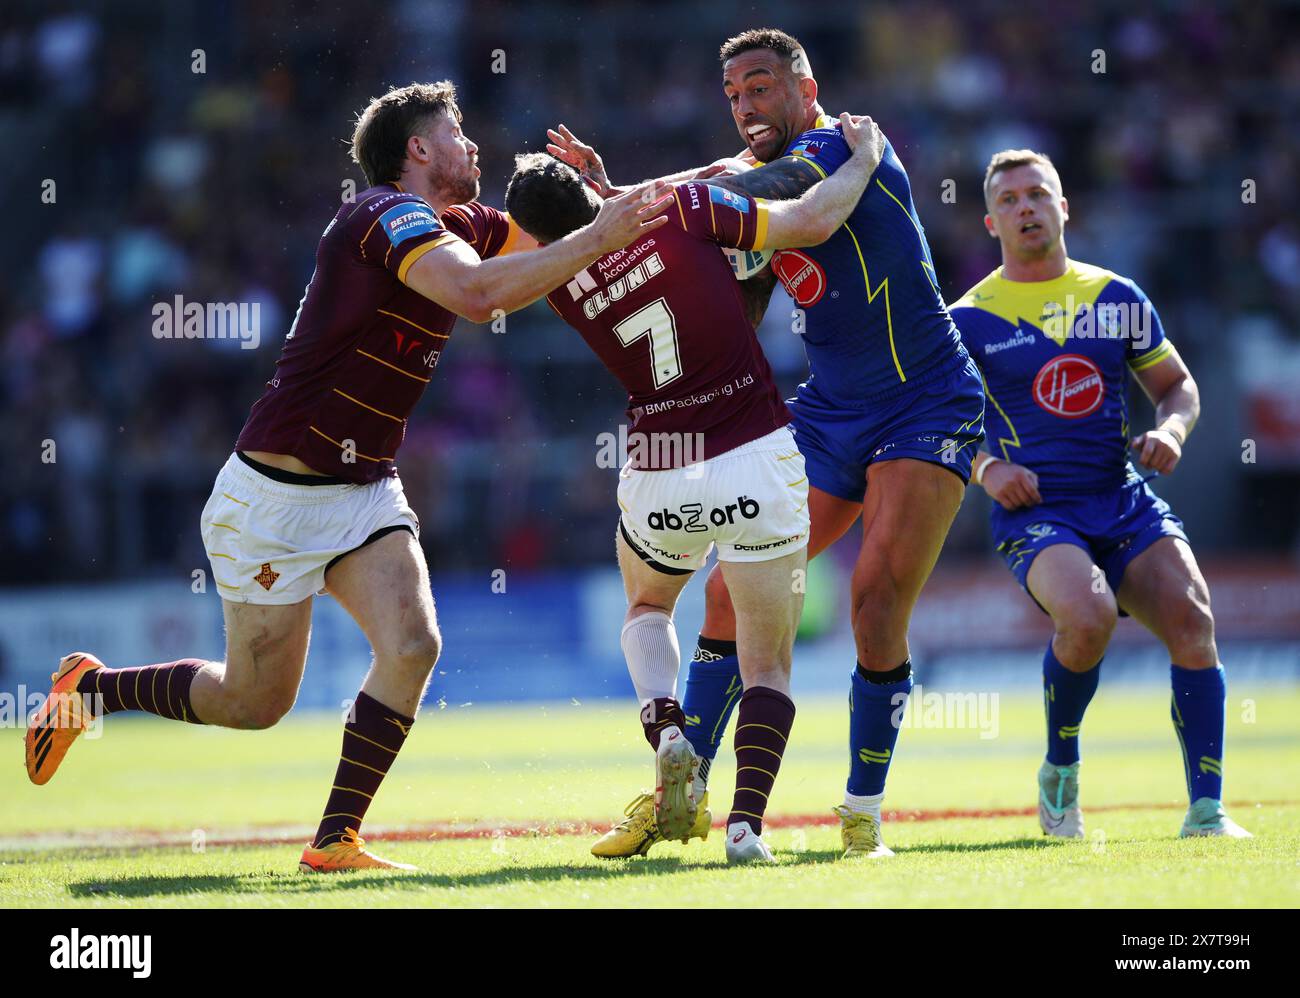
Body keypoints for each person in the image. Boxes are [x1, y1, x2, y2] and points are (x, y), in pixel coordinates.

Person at [24, 80, 673, 873]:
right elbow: (476, 293)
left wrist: (600, 194)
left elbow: (544, 245)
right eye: (456, 130)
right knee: (254, 704)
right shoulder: (380, 215)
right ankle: (93, 689)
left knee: (413, 644)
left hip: (364, 491)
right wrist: (595, 235)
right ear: (418, 151)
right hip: (275, 497)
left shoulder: (459, 223)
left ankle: (335, 839)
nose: (473, 145)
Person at [549, 28, 985, 859]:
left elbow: (756, 186)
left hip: (927, 401)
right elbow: (718, 188)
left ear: (804, 87)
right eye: (735, 95)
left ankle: (861, 812)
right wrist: (617, 193)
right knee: (723, 599)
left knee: (875, 605)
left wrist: (629, 194)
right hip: (831, 410)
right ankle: (684, 793)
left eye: (761, 86)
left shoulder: (835, 146)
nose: (747, 105)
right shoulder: (754, 185)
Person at [507, 112, 885, 863]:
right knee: (767, 662)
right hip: (754, 450)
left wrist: (597, 191)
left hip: (659, 464)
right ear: (589, 190)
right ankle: (745, 829)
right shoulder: (682, 212)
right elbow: (810, 218)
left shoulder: (558, 283)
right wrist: (865, 158)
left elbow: (583, 238)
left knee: (648, 607)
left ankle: (669, 727)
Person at [951, 148, 1250, 839]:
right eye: (1010, 200)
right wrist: (988, 469)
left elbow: (1176, 386)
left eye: (1038, 194)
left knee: (1193, 621)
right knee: (1086, 619)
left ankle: (1207, 810)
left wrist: (1172, 430)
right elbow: (937, 423)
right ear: (990, 223)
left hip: (1121, 497)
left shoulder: (1117, 298)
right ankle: (1060, 770)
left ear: (1064, 207)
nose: (1025, 207)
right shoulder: (966, 322)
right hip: (1038, 511)